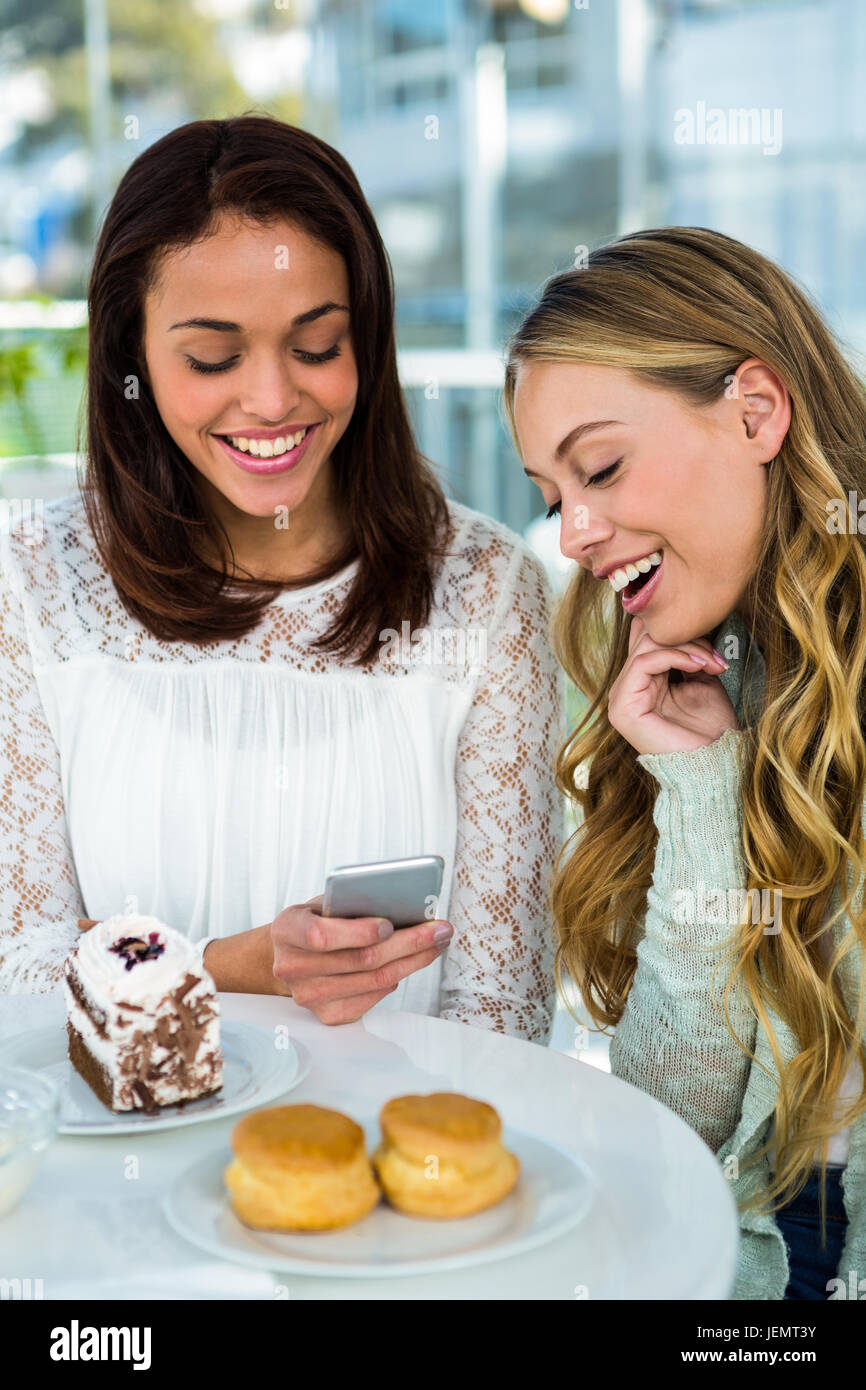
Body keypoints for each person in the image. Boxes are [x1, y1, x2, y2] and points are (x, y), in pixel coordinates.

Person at [0, 115, 563, 1042]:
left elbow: (500, 1015)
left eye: (316, 345)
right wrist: (229, 968)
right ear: (129, 357)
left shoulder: (488, 590)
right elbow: (19, 973)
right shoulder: (32, 583)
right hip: (115, 1172)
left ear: (369, 342)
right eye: (211, 358)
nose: (270, 400)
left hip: (391, 1167)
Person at [503, 225, 866, 1296]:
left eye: (600, 466)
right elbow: (674, 1118)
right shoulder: (689, 675)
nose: (571, 533)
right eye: (550, 491)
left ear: (755, 412)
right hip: (745, 1245)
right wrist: (699, 789)